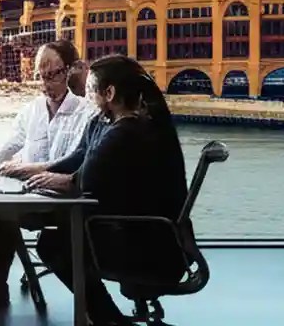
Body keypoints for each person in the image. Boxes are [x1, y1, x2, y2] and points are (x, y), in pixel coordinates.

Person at [30, 55, 190, 326]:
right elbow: (85, 171)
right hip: (160, 241)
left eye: (92, 89)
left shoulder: (125, 132)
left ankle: (107, 320)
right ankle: (105, 318)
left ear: (110, 93)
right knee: (61, 234)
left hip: (145, 248)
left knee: (53, 244)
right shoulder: (143, 124)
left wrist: (49, 181)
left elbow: (83, 183)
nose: (88, 95)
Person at [0, 40, 92, 311]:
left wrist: (29, 168)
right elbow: (6, 150)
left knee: (2, 211)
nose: (46, 82)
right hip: (28, 195)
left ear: (70, 71)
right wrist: (1, 163)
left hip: (62, 201)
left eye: (53, 74)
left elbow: (75, 163)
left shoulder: (86, 112)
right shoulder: (31, 110)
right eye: (41, 75)